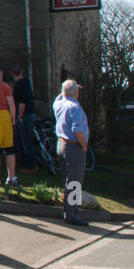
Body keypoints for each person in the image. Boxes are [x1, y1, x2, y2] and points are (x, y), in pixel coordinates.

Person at [54, 79, 90, 226]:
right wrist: (84, 146)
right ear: (75, 92)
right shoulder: (75, 107)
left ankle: (67, 210)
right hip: (73, 146)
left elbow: (60, 95)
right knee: (75, 182)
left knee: (67, 181)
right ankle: (72, 214)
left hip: (61, 144)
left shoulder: (58, 103)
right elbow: (77, 129)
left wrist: (67, 88)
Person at [12, 65, 38, 170]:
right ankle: (30, 164)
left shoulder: (19, 84)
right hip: (30, 114)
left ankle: (31, 166)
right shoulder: (27, 82)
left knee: (25, 141)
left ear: (13, 74)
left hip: (25, 116)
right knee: (27, 140)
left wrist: (20, 115)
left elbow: (22, 102)